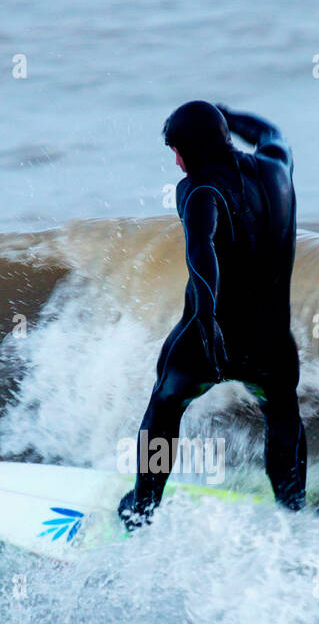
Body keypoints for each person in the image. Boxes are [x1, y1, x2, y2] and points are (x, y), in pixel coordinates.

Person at [118, 100, 307, 528]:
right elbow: (270, 131)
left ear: (194, 150)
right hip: (273, 340)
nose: (178, 162)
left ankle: (142, 507)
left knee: (165, 405)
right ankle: (294, 512)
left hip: (214, 337)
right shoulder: (278, 167)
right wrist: (224, 113)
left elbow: (203, 252)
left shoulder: (198, 189)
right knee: (282, 414)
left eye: (178, 151)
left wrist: (206, 323)